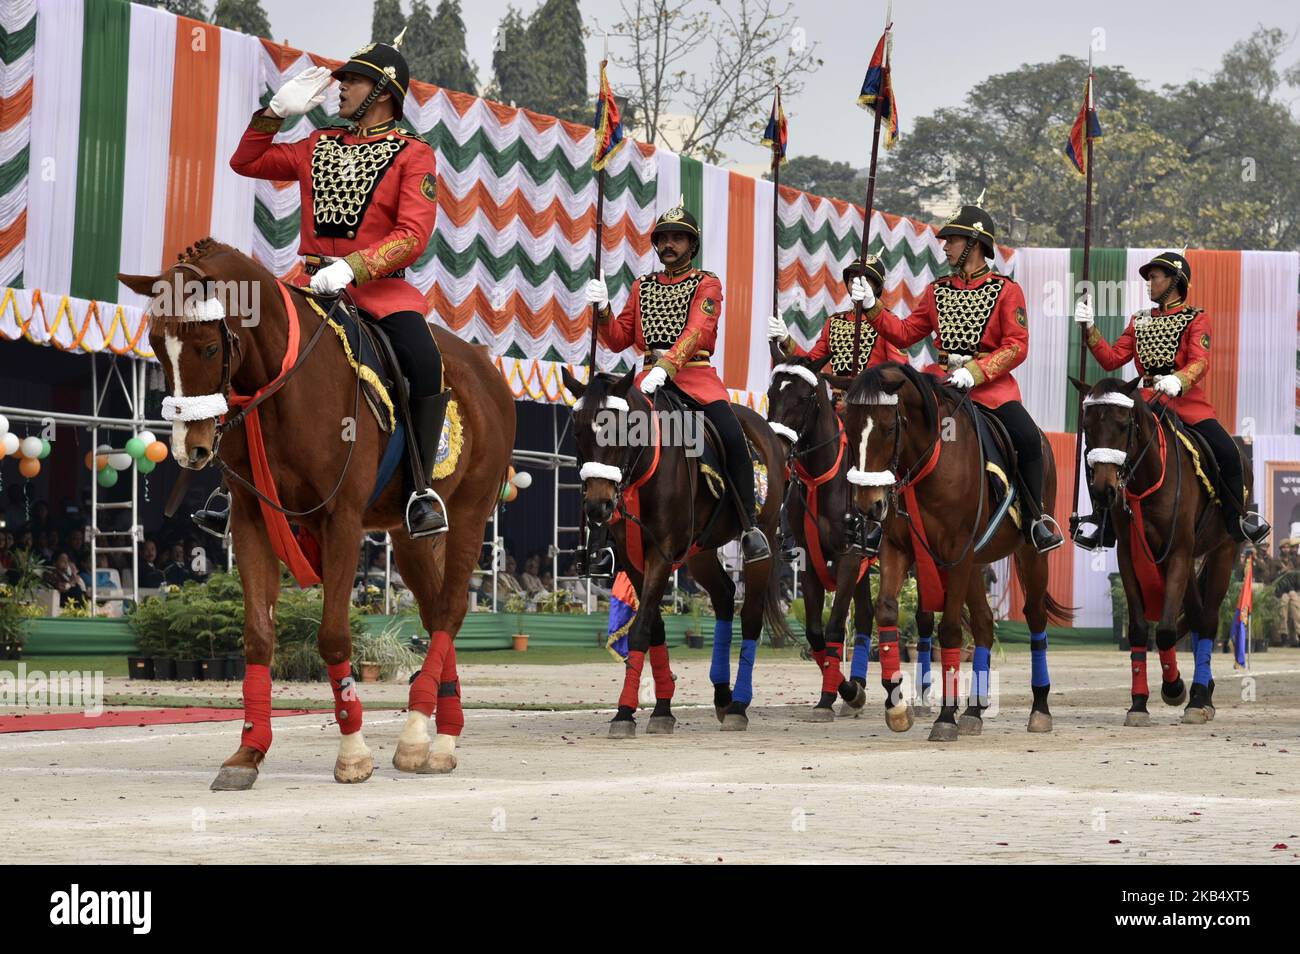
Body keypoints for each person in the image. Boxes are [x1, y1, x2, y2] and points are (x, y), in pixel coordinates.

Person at [222, 29, 449, 539]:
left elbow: (413, 233)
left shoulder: (414, 155)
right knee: (236, 339)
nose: (338, 88)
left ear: (382, 93)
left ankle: (419, 490)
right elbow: (246, 162)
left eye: (351, 81)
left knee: (426, 362)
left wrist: (354, 267)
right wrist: (274, 112)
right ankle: (230, 476)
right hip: (306, 282)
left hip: (376, 288)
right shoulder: (317, 144)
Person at [859, 204, 1063, 553]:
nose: (945, 247)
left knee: (1029, 439)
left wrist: (976, 371)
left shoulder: (1005, 290)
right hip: (940, 385)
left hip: (992, 390)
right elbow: (907, 332)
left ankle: (1034, 519)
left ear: (974, 244)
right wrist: (873, 306)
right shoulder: (938, 290)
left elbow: (1017, 345)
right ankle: (885, 520)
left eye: (951, 240)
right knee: (896, 431)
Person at [585, 203, 770, 563]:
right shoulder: (642, 286)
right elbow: (620, 338)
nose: (669, 244)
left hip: (695, 378)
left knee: (731, 436)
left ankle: (749, 527)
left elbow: (698, 331)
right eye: (664, 238)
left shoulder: (707, 283)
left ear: (692, 244)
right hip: (646, 380)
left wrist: (667, 367)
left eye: (678, 238)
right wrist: (604, 309)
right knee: (606, 436)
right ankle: (603, 534)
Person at [1074, 252, 1270, 548]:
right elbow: (1111, 358)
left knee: (1229, 453)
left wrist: (1179, 379)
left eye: (1154, 277)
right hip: (1145, 402)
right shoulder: (1139, 321)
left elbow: (1200, 361)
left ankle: (1236, 519)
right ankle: (1103, 524)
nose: (1149, 283)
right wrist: (1090, 330)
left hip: (1185, 401)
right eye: (1149, 278)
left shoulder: (1196, 319)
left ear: (1175, 281)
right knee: (1102, 450)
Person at [768, 255, 907, 380]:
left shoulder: (888, 323)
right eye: (853, 280)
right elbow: (810, 363)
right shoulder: (834, 323)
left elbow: (899, 373)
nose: (856, 285)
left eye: (864, 281)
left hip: (871, 403)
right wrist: (785, 339)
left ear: (876, 288)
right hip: (837, 403)